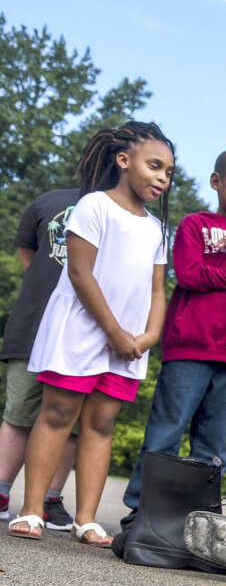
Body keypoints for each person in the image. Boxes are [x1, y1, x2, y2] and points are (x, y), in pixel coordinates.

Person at [9, 123, 175, 546]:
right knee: (57, 414)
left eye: (169, 172)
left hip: (128, 345)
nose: (162, 178)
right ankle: (31, 511)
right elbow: (81, 274)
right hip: (80, 333)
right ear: (124, 160)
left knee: (101, 423)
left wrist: (149, 334)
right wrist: (115, 331)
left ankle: (86, 519)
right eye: (154, 166)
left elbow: (158, 288)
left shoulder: (157, 228)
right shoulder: (94, 207)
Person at [120, 148, 226, 528]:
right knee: (166, 430)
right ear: (217, 183)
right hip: (190, 348)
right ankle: (141, 511)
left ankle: (196, 519)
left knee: (214, 445)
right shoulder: (195, 225)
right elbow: (191, 275)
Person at [0, 186, 81, 528]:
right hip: (34, 323)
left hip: (81, 331)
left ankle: (50, 498)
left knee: (71, 420)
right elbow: (26, 251)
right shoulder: (49, 202)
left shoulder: (122, 211)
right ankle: (2, 490)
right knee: (19, 411)